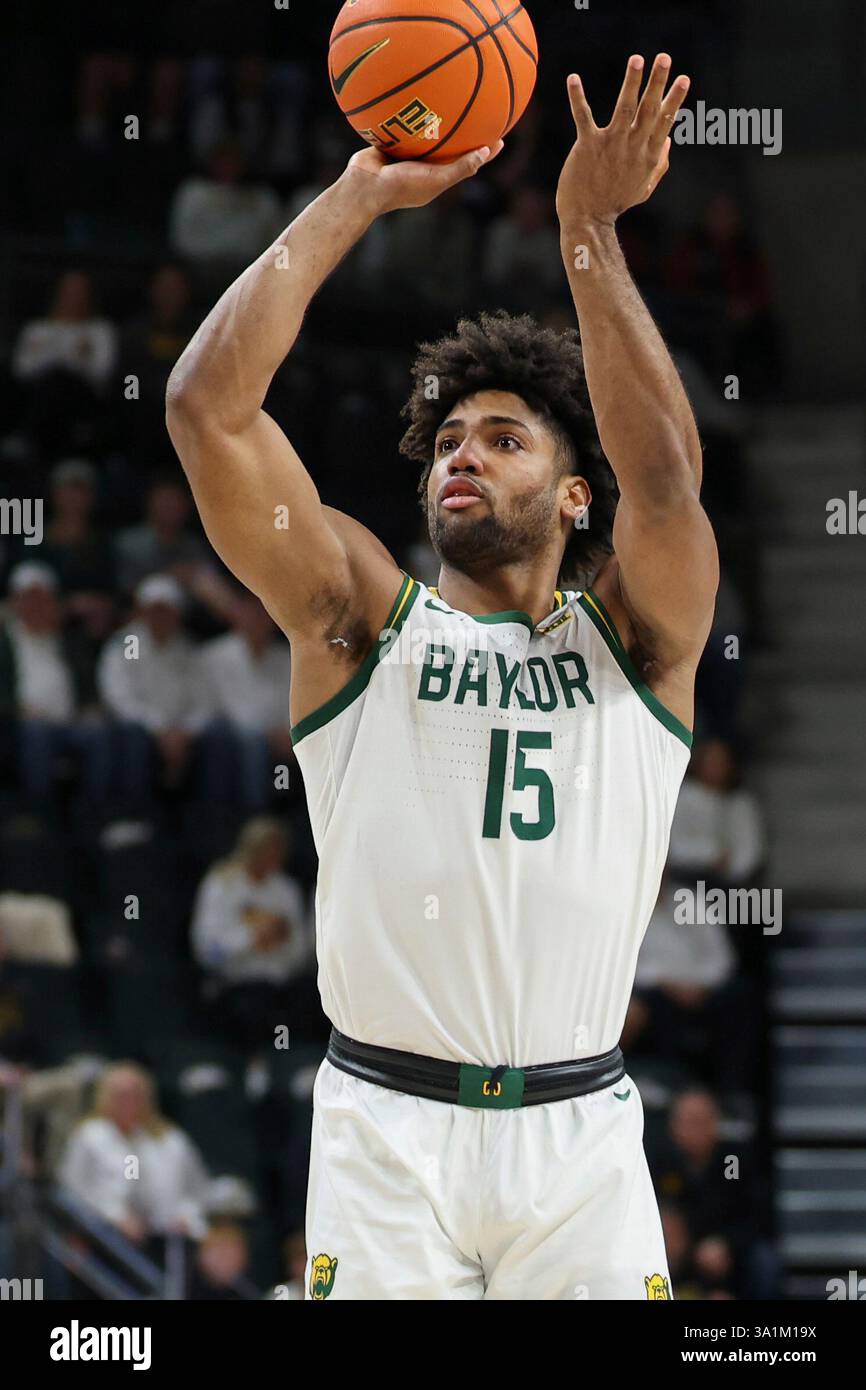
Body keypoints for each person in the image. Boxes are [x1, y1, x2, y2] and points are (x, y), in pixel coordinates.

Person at [167, 54, 719, 1301]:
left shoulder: (637, 645)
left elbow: (668, 483)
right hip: (385, 1128)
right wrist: (356, 196)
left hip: (577, 1138)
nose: (462, 454)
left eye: (505, 438)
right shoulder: (361, 617)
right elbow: (207, 409)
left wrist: (585, 232)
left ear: (574, 496)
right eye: (449, 440)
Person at [191, 817, 312, 1052]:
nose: (272, 856)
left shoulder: (287, 890)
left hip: (281, 982)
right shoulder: (221, 884)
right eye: (266, 850)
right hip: (236, 982)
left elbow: (301, 950)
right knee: (250, 1007)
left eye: (278, 850)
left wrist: (280, 941)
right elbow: (207, 948)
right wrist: (251, 939)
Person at [58, 1062, 210, 1242]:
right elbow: (71, 1188)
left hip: (165, 1235)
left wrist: (186, 1215)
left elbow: (198, 1189)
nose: (127, 1102)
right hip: (104, 1235)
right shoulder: (90, 1136)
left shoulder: (170, 1140)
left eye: (134, 1095)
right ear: (105, 1096)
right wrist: (114, 1215)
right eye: (120, 1095)